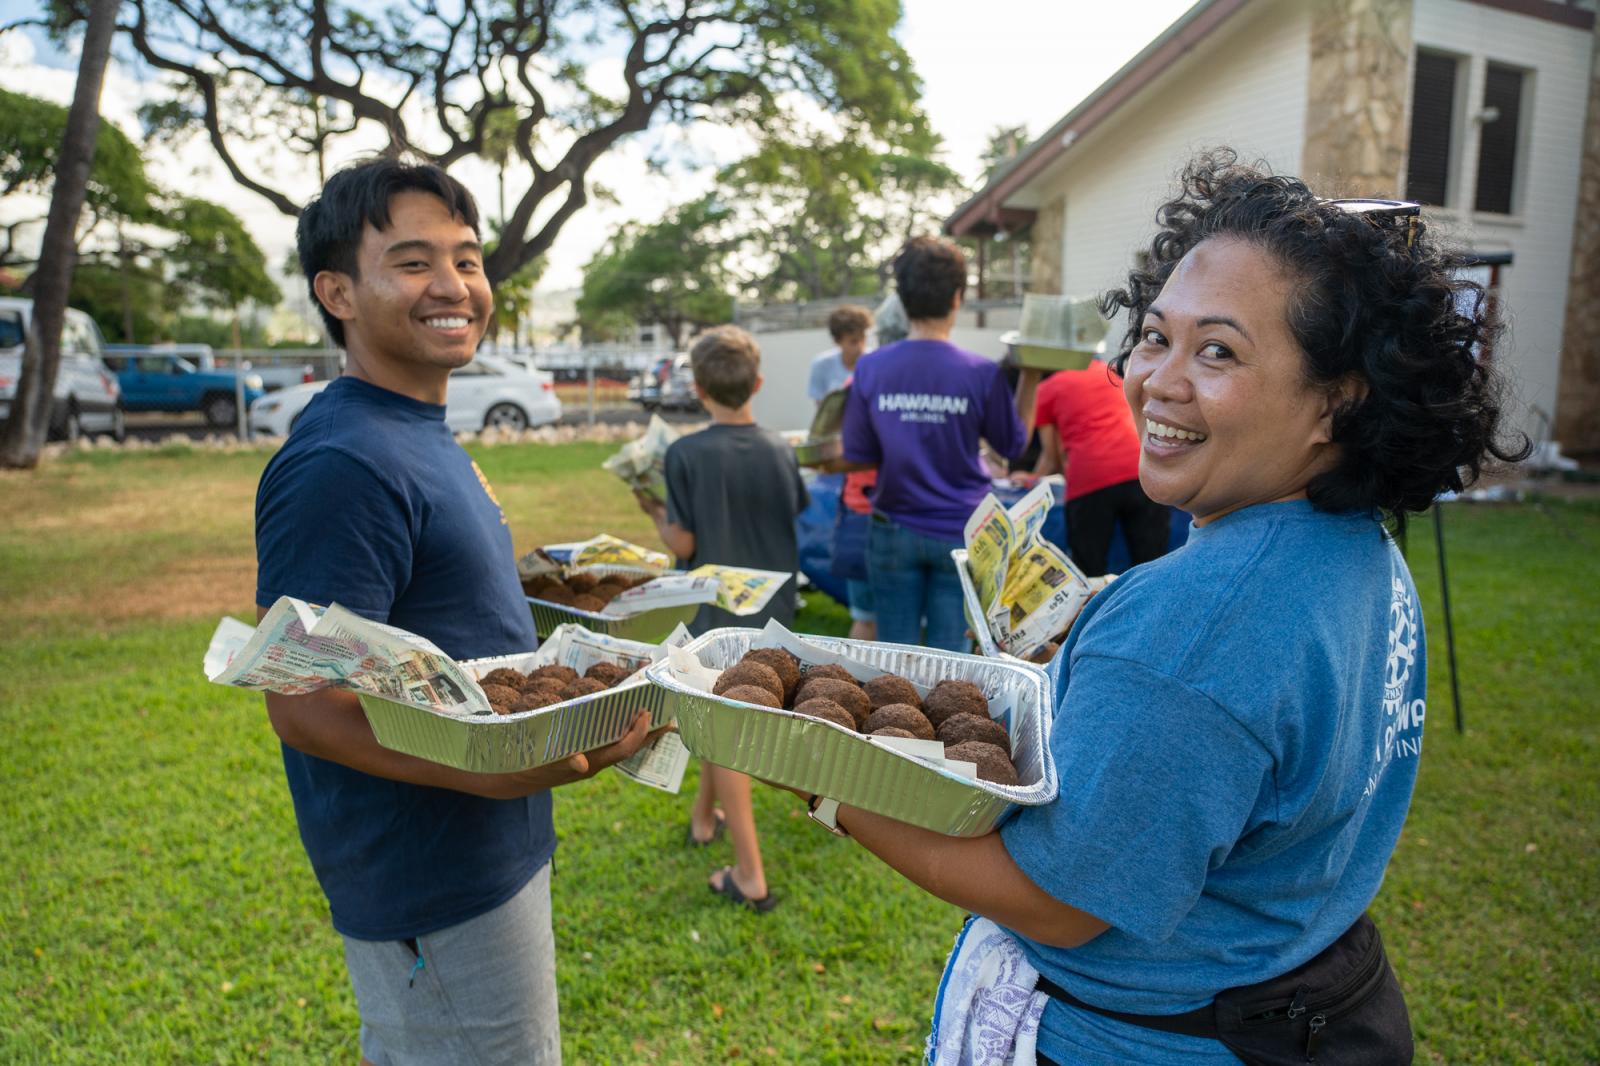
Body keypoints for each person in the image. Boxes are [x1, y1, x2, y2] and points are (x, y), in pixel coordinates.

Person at [782, 152, 1527, 1064]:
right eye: (1155, 336)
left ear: (1338, 400)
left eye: (1219, 351)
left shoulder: (1196, 626)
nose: (1158, 383)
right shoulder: (1360, 549)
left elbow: (1053, 903)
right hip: (1306, 990)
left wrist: (824, 779)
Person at [255, 158, 657, 1066]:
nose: (454, 286)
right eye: (411, 262)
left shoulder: (416, 426)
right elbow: (303, 704)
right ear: (338, 292)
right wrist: (491, 774)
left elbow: (442, 616)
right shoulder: (342, 462)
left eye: (468, 259)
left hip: (488, 845)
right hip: (428, 872)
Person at [636, 325, 807, 912]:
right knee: (716, 715)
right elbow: (795, 511)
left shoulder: (684, 454)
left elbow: (682, 538)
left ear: (699, 388)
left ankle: (751, 876)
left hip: (717, 614)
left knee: (726, 729)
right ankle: (703, 819)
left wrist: (654, 510)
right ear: (757, 383)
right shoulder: (782, 448)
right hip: (777, 610)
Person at [836, 237, 1039, 651]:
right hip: (960, 530)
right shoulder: (980, 373)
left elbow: (858, 456)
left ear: (902, 299)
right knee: (952, 663)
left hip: (893, 526)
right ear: (957, 298)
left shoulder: (871, 368)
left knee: (894, 655)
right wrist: (1031, 376)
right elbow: (1013, 443)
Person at [1032, 354, 1171, 574]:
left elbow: (1051, 457)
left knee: (1088, 572)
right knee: (1153, 564)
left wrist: (1032, 478)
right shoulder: (1110, 373)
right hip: (1140, 469)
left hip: (1090, 477)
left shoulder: (1046, 389)